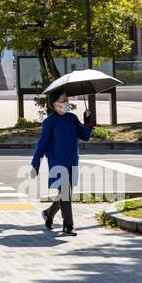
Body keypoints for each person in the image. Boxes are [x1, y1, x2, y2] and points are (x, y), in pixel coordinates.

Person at [31, 91, 94, 236]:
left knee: (66, 194)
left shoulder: (72, 118)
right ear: (55, 104)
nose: (67, 102)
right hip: (57, 163)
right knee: (65, 192)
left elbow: (85, 136)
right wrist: (36, 164)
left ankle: (48, 213)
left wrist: (88, 121)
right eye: (64, 99)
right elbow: (42, 144)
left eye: (67, 99)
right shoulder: (50, 122)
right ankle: (68, 225)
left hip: (72, 161)